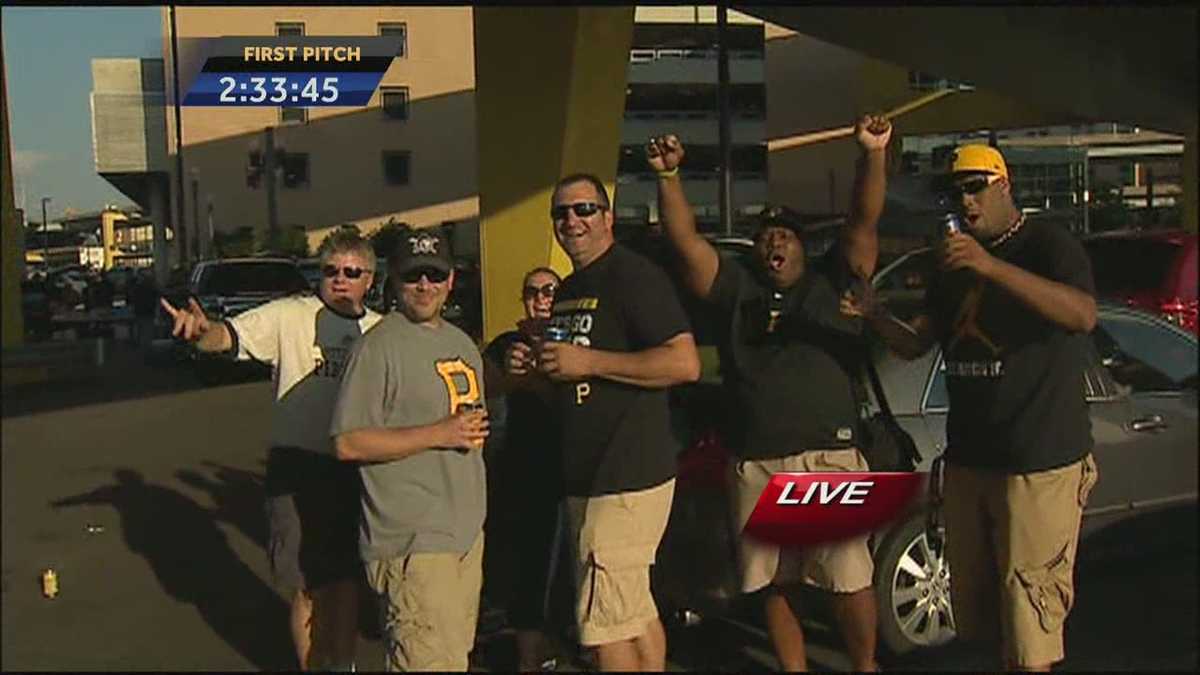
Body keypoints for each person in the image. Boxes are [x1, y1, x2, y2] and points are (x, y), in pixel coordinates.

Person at [647, 115, 893, 672]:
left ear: (804, 247)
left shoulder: (834, 279)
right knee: (773, 581)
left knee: (846, 578)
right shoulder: (738, 287)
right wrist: (668, 178)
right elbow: (686, 244)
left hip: (826, 456)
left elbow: (864, 218)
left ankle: (863, 665)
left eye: (785, 235)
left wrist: (872, 155)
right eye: (765, 236)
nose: (773, 242)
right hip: (756, 460)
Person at [844, 144, 1099, 672]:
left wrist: (992, 268)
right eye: (955, 191)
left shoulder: (1046, 244)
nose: (965, 201)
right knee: (981, 620)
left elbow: (1082, 315)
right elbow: (918, 344)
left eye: (974, 186)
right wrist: (874, 314)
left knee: (1030, 621)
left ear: (1004, 185)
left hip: (1038, 461)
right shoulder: (953, 263)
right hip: (970, 459)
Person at [161, 230, 381, 671]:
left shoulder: (379, 332)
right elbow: (228, 337)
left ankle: (342, 664)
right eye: (330, 271)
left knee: (344, 583)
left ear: (369, 280)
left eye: (351, 272)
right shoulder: (289, 315)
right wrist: (201, 332)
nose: (340, 280)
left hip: (354, 467)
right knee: (304, 585)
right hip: (296, 466)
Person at [506, 173, 701, 671]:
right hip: (585, 477)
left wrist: (588, 363)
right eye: (561, 212)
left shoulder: (634, 277)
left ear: (608, 217)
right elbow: (572, 384)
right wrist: (539, 376)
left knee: (601, 627)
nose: (571, 221)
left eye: (584, 209)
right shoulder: (570, 289)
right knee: (630, 610)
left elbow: (683, 363)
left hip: (627, 474)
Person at [331, 225, 490, 672]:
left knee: (451, 661)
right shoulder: (377, 347)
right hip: (411, 539)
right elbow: (347, 441)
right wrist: (438, 433)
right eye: (413, 275)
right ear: (393, 280)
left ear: (451, 280)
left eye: (435, 275)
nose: (425, 286)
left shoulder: (461, 344)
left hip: (464, 535)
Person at [482, 266, 566, 671]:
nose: (541, 298)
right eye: (533, 291)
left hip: (575, 470)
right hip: (518, 471)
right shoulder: (507, 343)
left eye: (550, 290)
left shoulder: (577, 342)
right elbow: (482, 389)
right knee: (526, 565)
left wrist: (539, 378)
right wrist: (510, 378)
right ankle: (528, 658)